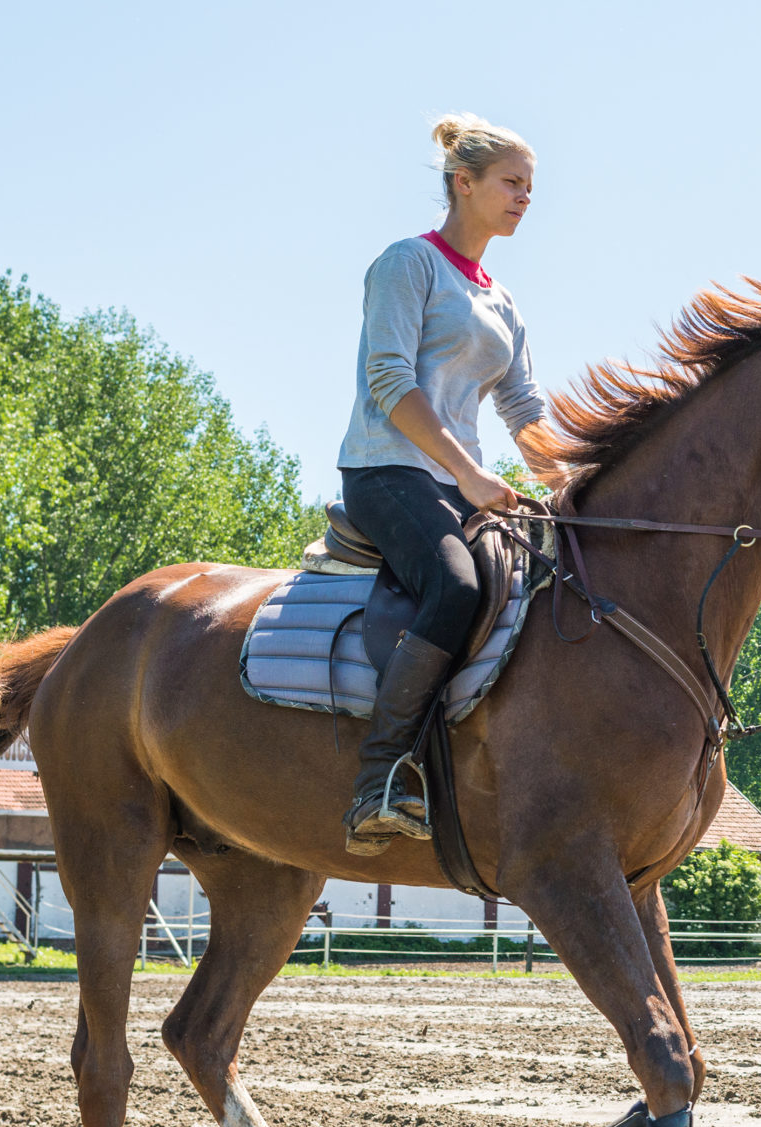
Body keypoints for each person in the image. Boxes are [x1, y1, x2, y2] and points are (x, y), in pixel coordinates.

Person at [336, 113, 563, 855]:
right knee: (458, 585)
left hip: (460, 485)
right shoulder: (408, 264)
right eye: (511, 182)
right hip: (387, 469)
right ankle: (381, 775)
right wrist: (469, 474)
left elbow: (523, 407)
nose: (525, 197)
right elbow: (389, 380)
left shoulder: (503, 303)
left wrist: (568, 485)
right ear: (463, 183)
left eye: (532, 186)